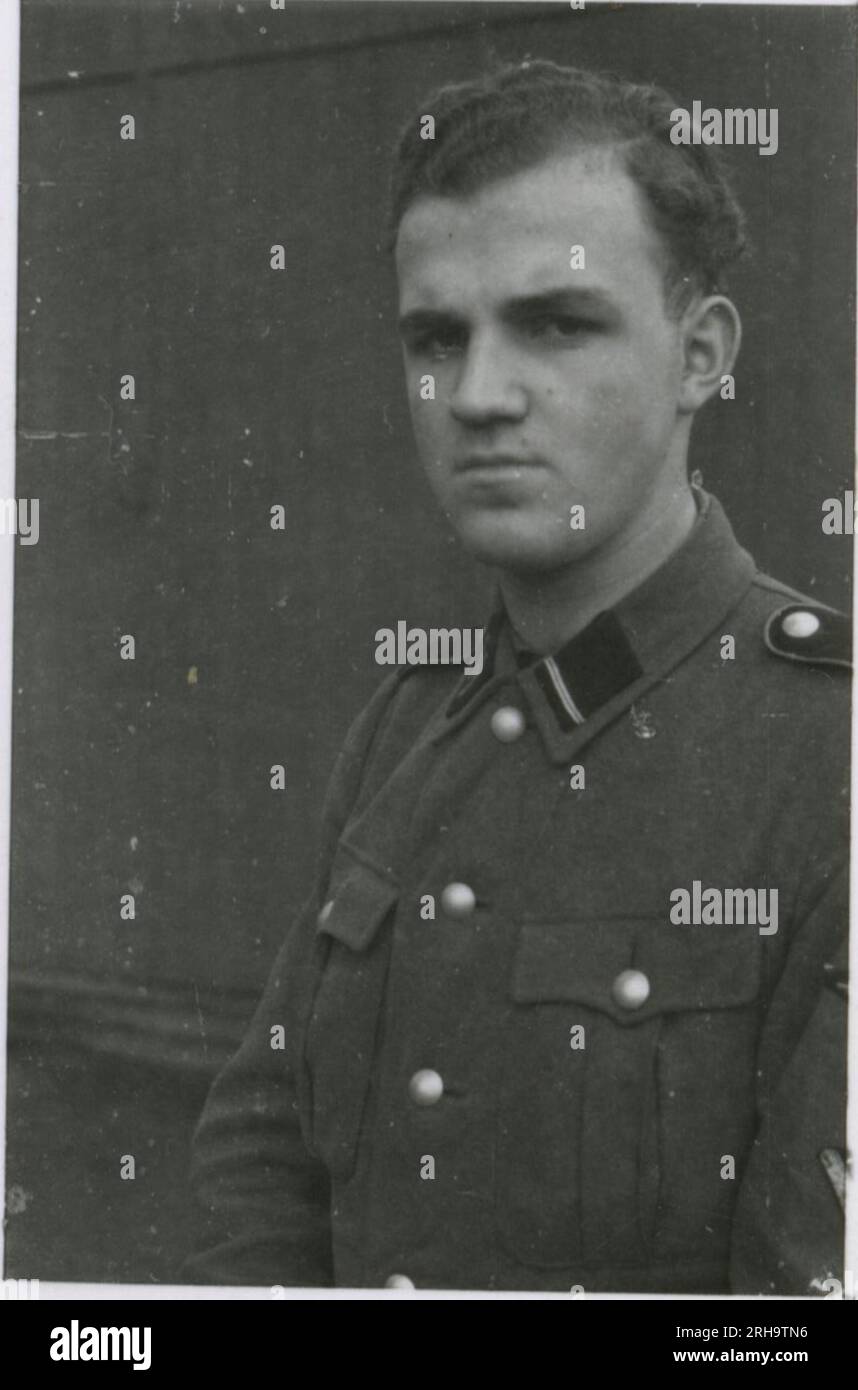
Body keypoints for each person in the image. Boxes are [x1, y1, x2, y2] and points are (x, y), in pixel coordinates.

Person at [186, 60, 850, 1294]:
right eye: (438, 337)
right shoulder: (404, 731)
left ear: (700, 354)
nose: (480, 396)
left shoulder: (829, 759)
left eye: (558, 322)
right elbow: (263, 1160)